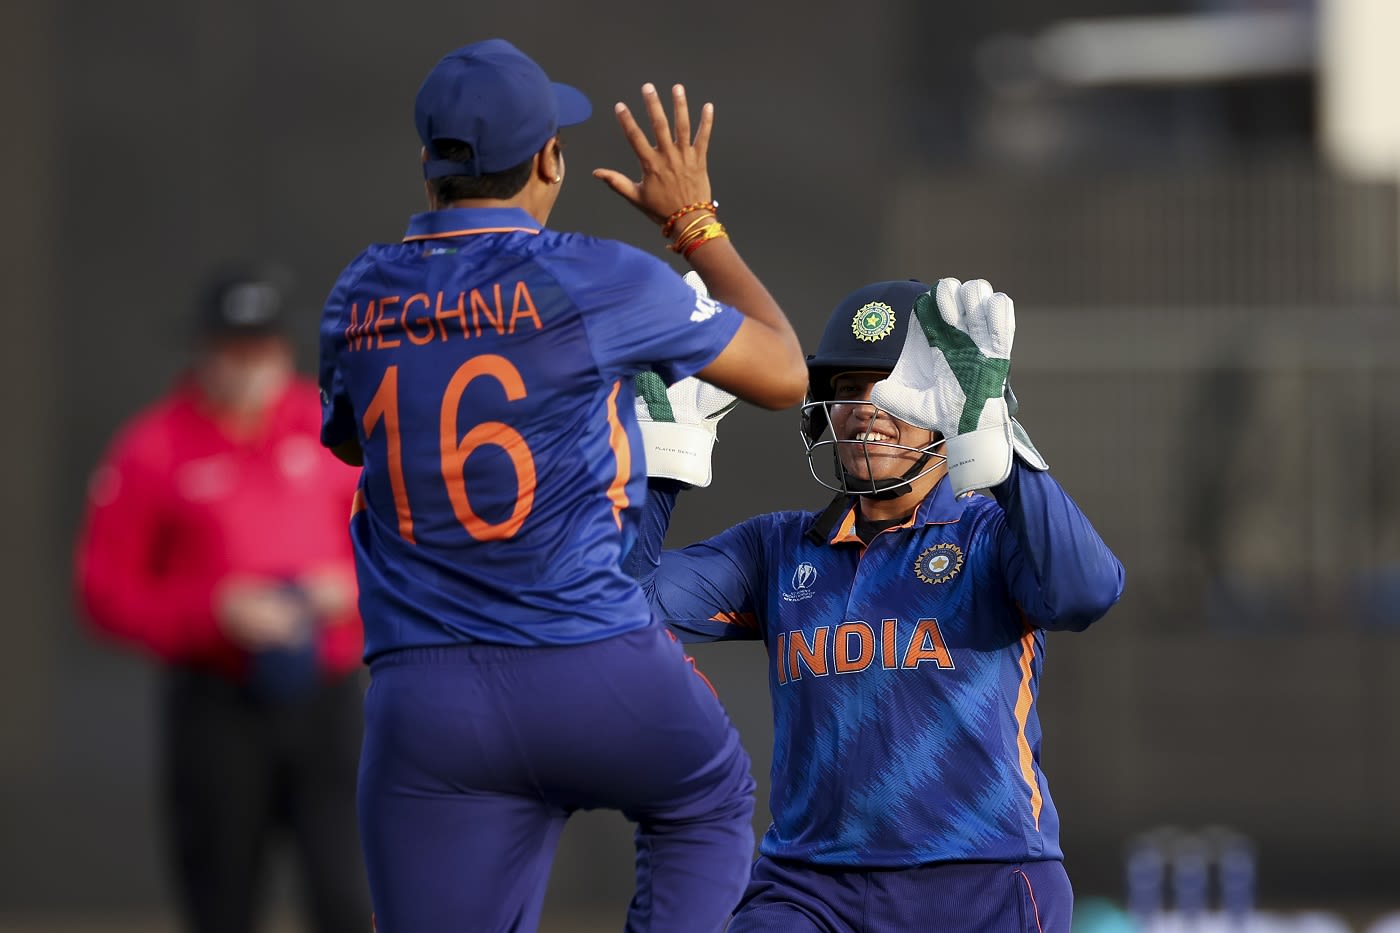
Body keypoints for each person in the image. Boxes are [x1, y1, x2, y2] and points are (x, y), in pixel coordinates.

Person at [315, 38, 807, 932]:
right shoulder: (596, 275)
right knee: (708, 797)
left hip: (426, 702)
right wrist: (694, 223)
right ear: (549, 158)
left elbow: (355, 445)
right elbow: (782, 373)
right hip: (590, 658)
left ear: (429, 168)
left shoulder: (360, 295)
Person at [625, 277, 1126, 932]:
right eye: (848, 389)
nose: (866, 406)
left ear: (951, 404)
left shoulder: (994, 534)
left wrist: (997, 446)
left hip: (984, 882)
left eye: (894, 386)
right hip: (809, 889)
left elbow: (1088, 591)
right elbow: (616, 608)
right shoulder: (776, 549)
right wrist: (654, 466)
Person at [74, 267, 373, 933]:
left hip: (326, 701)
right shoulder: (152, 449)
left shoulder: (335, 433)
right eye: (232, 347)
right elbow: (104, 590)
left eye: (261, 347)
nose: (247, 366)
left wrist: (347, 588)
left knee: (348, 893)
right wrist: (212, 610)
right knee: (221, 899)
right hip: (218, 705)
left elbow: (399, 548)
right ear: (204, 350)